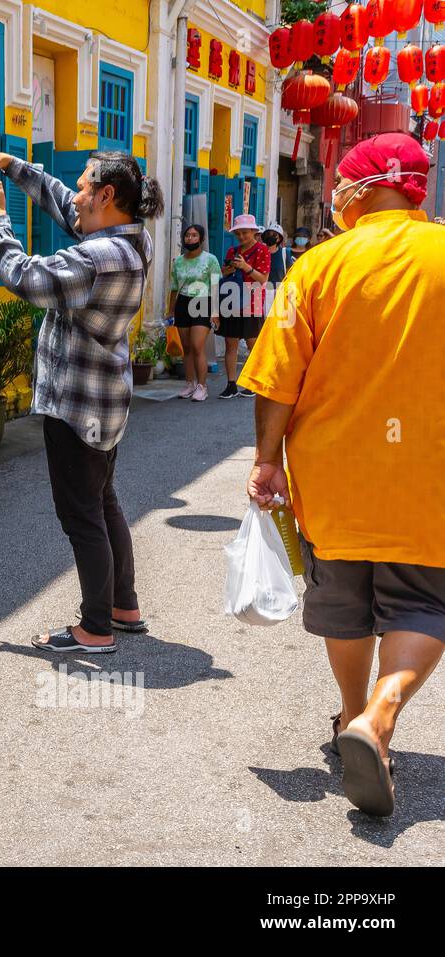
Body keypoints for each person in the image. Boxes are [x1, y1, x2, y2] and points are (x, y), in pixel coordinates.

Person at [238, 132, 444, 817]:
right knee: (424, 602)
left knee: (344, 600)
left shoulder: (317, 267)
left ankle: (353, 709)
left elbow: (275, 376)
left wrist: (267, 458)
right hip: (429, 480)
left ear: (360, 188)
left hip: (332, 478)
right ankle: (379, 715)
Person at [0, 149, 161, 654]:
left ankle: (95, 629)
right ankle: (122, 606)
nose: (79, 193)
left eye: (87, 185)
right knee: (103, 502)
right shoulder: (132, 238)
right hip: (104, 400)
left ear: (108, 196)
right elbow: (69, 204)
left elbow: (27, 277)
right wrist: (16, 168)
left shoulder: (97, 258)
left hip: (76, 404)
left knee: (81, 516)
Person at [216, 214, 271, 399]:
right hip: (232, 301)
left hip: (252, 302)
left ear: (254, 232)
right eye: (238, 233)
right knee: (230, 344)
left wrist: (246, 267)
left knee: (252, 344)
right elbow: (223, 275)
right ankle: (231, 384)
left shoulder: (262, 250)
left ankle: (253, 383)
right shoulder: (232, 251)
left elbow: (263, 279)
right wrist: (227, 270)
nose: (241, 237)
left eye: (245, 233)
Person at [165, 223, 219, 401]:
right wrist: (170, 311)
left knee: (197, 346)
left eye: (194, 235)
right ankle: (190, 384)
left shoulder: (210, 260)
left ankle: (202, 386)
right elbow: (174, 288)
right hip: (183, 303)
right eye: (187, 235)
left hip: (203, 302)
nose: (190, 238)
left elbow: (215, 286)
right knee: (186, 348)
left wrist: (216, 312)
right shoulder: (179, 261)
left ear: (201, 239)